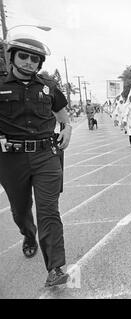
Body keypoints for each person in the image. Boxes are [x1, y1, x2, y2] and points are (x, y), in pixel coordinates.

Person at [0, 34, 71, 287]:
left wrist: (66, 128)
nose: (29, 62)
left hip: (46, 156)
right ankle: (28, 235)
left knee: (49, 210)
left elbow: (63, 115)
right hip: (10, 159)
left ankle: (56, 268)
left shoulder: (49, 86)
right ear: (12, 57)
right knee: (20, 211)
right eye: (24, 56)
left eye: (35, 59)